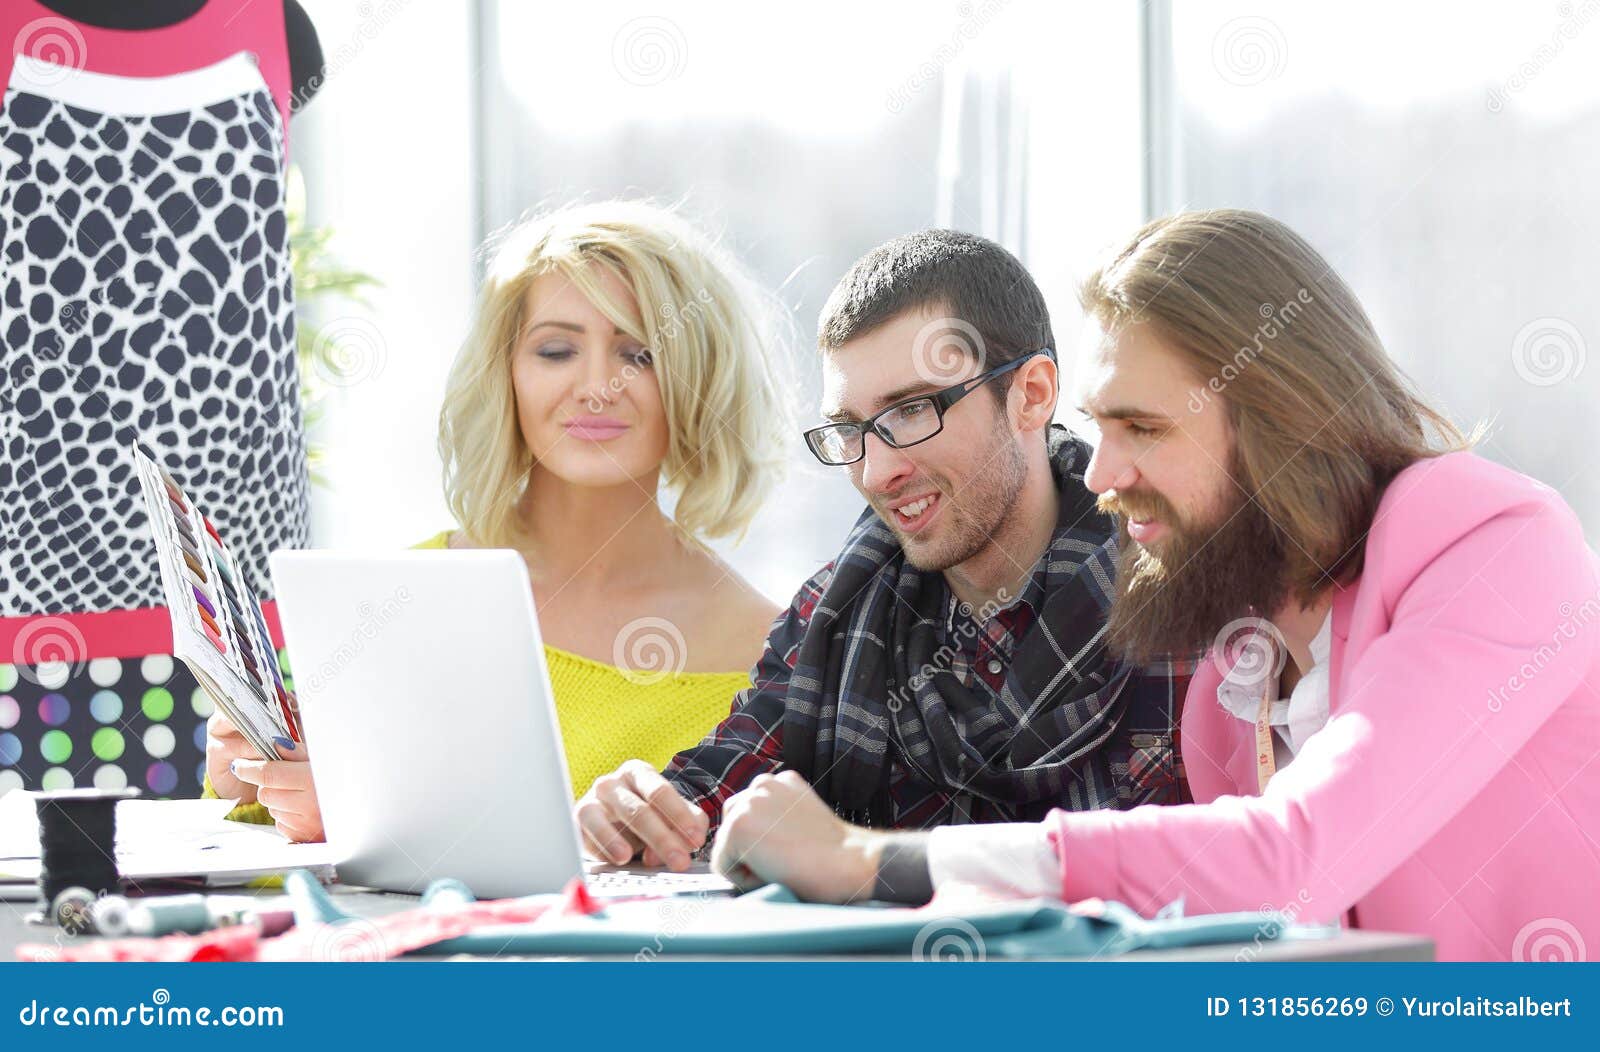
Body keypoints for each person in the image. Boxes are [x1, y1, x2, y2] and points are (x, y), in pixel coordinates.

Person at [707, 209, 1600, 962]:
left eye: (1143, 427)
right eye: (1099, 425)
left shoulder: (1493, 544)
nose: (1099, 473)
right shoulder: (1223, 702)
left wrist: (876, 864)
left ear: (1283, 419)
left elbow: (1291, 862)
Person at [576, 230, 1193, 878]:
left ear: (1032, 395)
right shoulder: (835, 611)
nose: (876, 474)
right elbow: (707, 797)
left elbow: (1211, 869)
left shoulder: (1173, 587)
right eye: (850, 429)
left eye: (911, 411)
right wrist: (637, 815)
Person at [206, 200, 791, 841]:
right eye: (557, 350)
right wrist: (244, 791)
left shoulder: (772, 655)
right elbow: (268, 898)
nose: (597, 386)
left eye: (640, 355)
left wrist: (372, 821)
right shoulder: (384, 603)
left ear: (698, 378)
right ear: (504, 375)